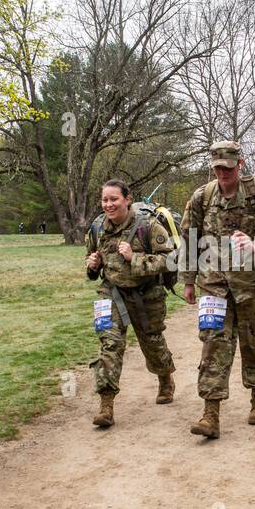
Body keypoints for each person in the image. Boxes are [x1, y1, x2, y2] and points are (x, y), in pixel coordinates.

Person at [181, 140, 255, 438]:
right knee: (214, 342)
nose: (222, 173)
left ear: (240, 165)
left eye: (227, 168)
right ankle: (210, 414)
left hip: (254, 284)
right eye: (217, 168)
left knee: (254, 340)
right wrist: (188, 280)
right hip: (214, 283)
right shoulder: (202, 197)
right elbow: (190, 239)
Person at [85, 179, 177, 428]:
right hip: (111, 293)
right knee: (110, 345)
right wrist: (92, 265)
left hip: (145, 295)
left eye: (114, 199)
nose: (108, 204)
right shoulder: (97, 227)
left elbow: (170, 261)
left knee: (153, 343)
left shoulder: (148, 226)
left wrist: (134, 258)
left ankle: (165, 378)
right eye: (105, 199)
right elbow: (92, 258)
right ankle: (106, 405)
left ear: (127, 199)